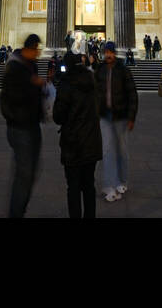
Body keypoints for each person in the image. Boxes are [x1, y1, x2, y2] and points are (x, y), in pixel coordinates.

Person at [1, 34, 47, 218]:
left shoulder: (31, 66)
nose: (38, 53)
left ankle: (19, 210)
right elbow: (9, 98)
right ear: (30, 48)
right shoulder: (14, 68)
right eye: (36, 49)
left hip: (32, 124)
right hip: (20, 127)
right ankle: (16, 213)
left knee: (31, 171)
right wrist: (32, 85)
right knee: (24, 174)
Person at [53, 50, 102, 218]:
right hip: (91, 141)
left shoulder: (66, 85)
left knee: (73, 187)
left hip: (73, 143)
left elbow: (57, 117)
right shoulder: (93, 82)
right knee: (89, 185)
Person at [94, 41, 138, 201]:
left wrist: (131, 117)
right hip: (104, 116)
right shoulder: (100, 70)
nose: (108, 55)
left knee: (122, 150)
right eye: (105, 52)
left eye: (110, 52)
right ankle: (109, 185)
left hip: (121, 116)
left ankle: (122, 180)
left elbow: (132, 94)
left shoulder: (123, 70)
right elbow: (94, 92)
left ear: (114, 53)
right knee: (107, 151)